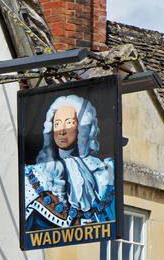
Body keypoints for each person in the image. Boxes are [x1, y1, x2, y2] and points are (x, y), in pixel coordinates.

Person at [25, 93, 115, 235]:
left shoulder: (105, 171)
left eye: (68, 123)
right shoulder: (34, 173)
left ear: (81, 127)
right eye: (57, 124)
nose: (62, 131)